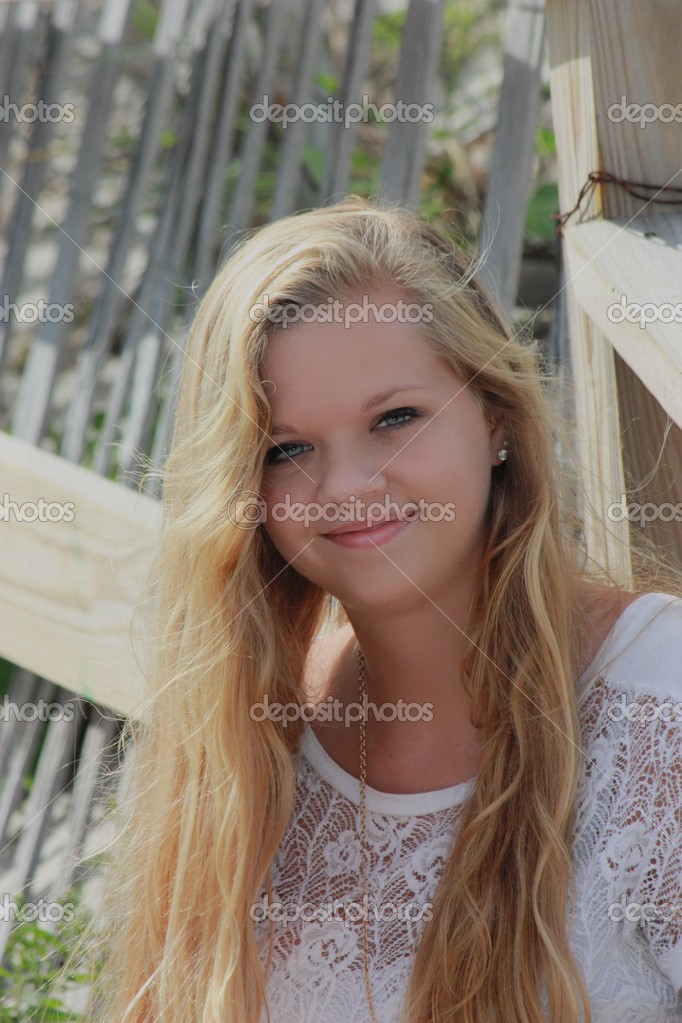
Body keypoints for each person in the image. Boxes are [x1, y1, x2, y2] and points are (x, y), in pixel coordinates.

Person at [82, 196, 682, 1022]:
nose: (345, 487)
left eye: (394, 418)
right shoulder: (251, 741)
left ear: (496, 417)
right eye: (286, 448)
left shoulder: (658, 707)